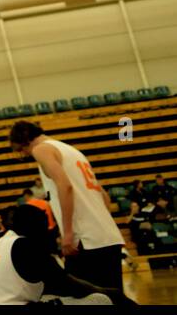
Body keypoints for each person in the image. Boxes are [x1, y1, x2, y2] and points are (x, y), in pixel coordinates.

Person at [9, 121, 126, 292]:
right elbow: (104, 197)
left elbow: (65, 186)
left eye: (20, 149)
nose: (24, 154)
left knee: (77, 299)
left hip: (86, 242)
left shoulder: (41, 149)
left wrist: (68, 232)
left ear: (24, 139)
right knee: (113, 300)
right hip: (108, 236)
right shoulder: (71, 151)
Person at [0, 204, 133, 306]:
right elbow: (72, 287)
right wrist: (112, 293)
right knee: (100, 300)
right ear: (36, 228)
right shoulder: (26, 248)